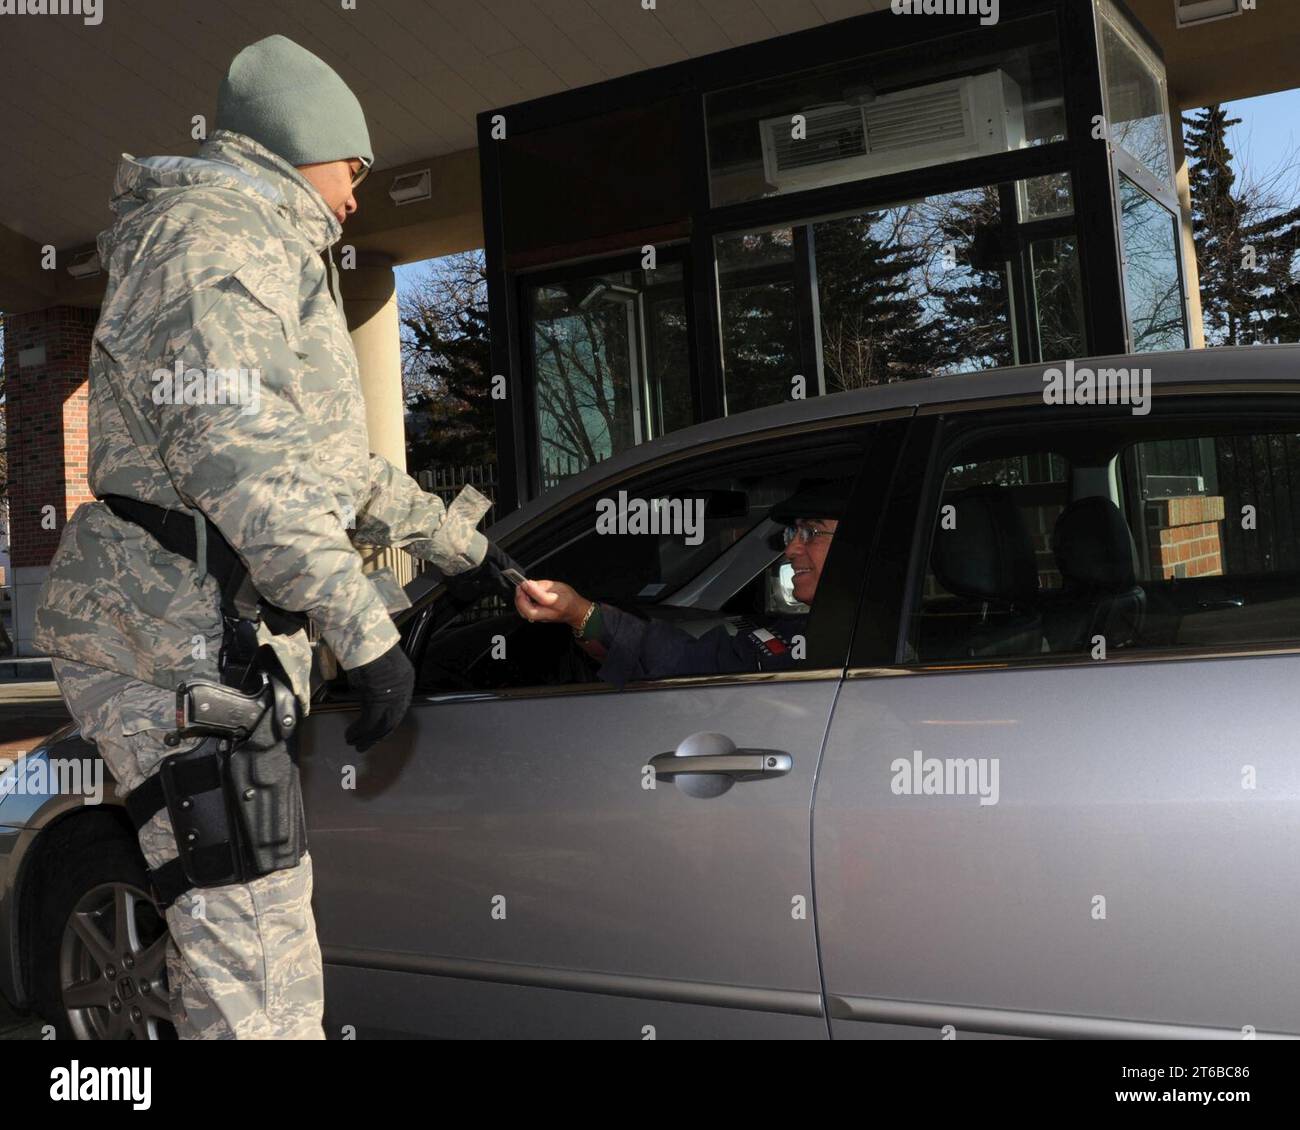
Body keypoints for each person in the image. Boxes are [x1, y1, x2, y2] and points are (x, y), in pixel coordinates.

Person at [34, 35, 510, 1039]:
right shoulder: (216, 236)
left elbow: (325, 464)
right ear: (301, 144)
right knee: (256, 977)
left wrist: (460, 544)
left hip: (201, 641)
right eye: (352, 168)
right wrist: (364, 629)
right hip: (172, 642)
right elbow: (239, 456)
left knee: (254, 949)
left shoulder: (259, 243)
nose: (356, 196)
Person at [514, 482, 847, 686]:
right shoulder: (800, 633)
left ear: (857, 542)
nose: (790, 549)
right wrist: (578, 612)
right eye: (793, 533)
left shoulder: (880, 644)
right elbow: (684, 662)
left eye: (811, 532)